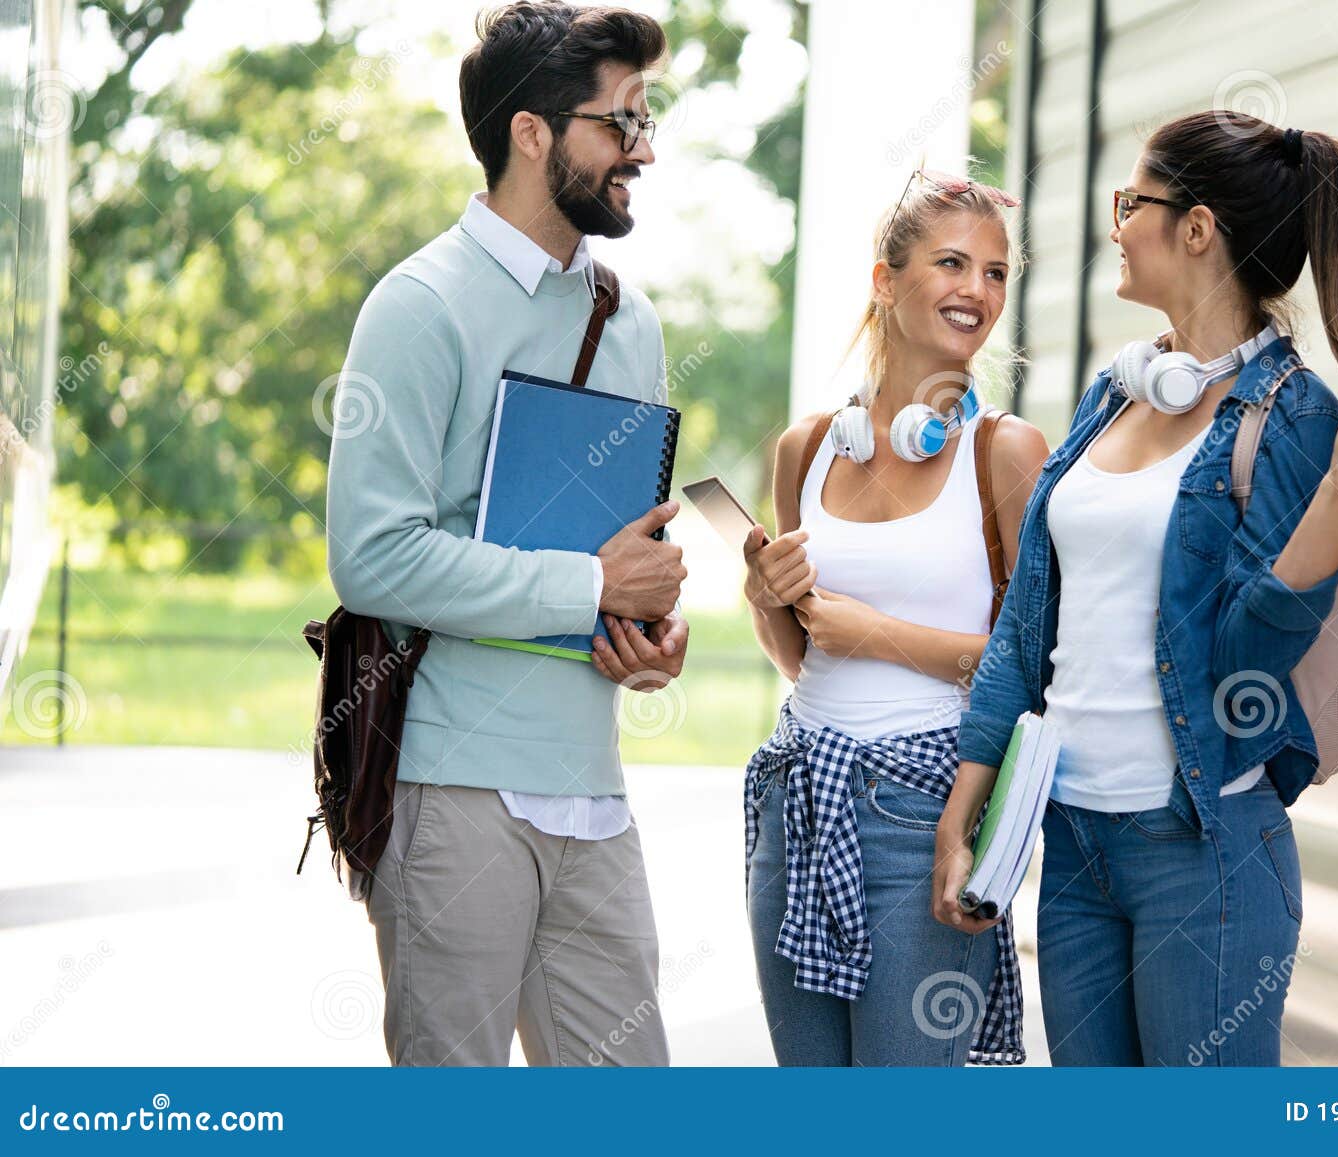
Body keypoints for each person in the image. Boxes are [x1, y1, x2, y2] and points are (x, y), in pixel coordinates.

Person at [933, 112, 1338, 1066]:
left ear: (1196, 228)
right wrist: (966, 806)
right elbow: (1027, 625)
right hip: (1074, 843)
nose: (1116, 224)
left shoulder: (1297, 418)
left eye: (1131, 202)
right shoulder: (1116, 392)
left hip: (1201, 849)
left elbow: (1245, 664)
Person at [325, 1, 687, 1067]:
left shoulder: (630, 316)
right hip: (453, 795)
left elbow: (621, 547)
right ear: (531, 132)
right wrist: (588, 585)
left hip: (592, 788)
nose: (645, 150)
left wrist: (648, 623)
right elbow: (374, 555)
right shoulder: (418, 305)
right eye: (619, 123)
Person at [741, 168, 1050, 1066]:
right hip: (799, 799)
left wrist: (876, 634)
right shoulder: (807, 449)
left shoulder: (1007, 451)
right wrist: (768, 600)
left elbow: (1029, 665)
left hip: (925, 815)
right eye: (952, 263)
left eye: (996, 273)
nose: (978, 291)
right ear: (886, 279)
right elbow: (798, 657)